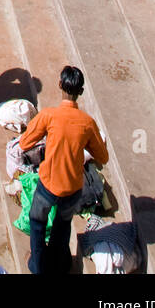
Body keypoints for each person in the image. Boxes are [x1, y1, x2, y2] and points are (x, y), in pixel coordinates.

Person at [19, 65, 109, 275]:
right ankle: (61, 265)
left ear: (60, 85)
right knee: (63, 225)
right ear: (81, 91)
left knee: (37, 223)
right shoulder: (87, 123)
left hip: (48, 186)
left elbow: (24, 143)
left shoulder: (49, 116)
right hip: (72, 188)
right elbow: (103, 156)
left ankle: (37, 266)